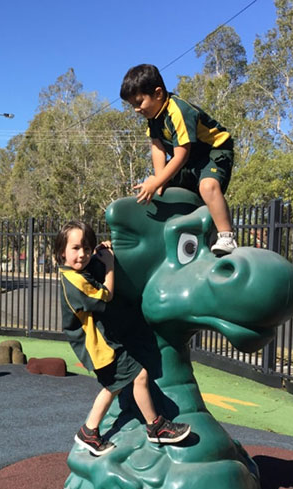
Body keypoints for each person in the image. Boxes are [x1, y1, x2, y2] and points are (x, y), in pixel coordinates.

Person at [55, 220, 191, 455]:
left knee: (113, 386)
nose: (83, 254)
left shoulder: (74, 274)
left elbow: (91, 274)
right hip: (101, 346)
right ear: (61, 252)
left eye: (87, 248)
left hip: (102, 344)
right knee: (138, 376)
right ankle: (156, 428)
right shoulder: (74, 281)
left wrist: (99, 254)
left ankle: (89, 432)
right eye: (76, 248)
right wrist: (108, 265)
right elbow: (105, 294)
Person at [120, 63, 237, 256]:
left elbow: (181, 154)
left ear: (158, 93)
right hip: (190, 158)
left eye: (139, 102)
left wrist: (158, 181)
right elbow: (157, 146)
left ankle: (226, 236)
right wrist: (159, 180)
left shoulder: (178, 111)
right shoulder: (154, 116)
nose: (136, 110)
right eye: (132, 105)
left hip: (213, 151)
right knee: (164, 188)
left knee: (207, 187)